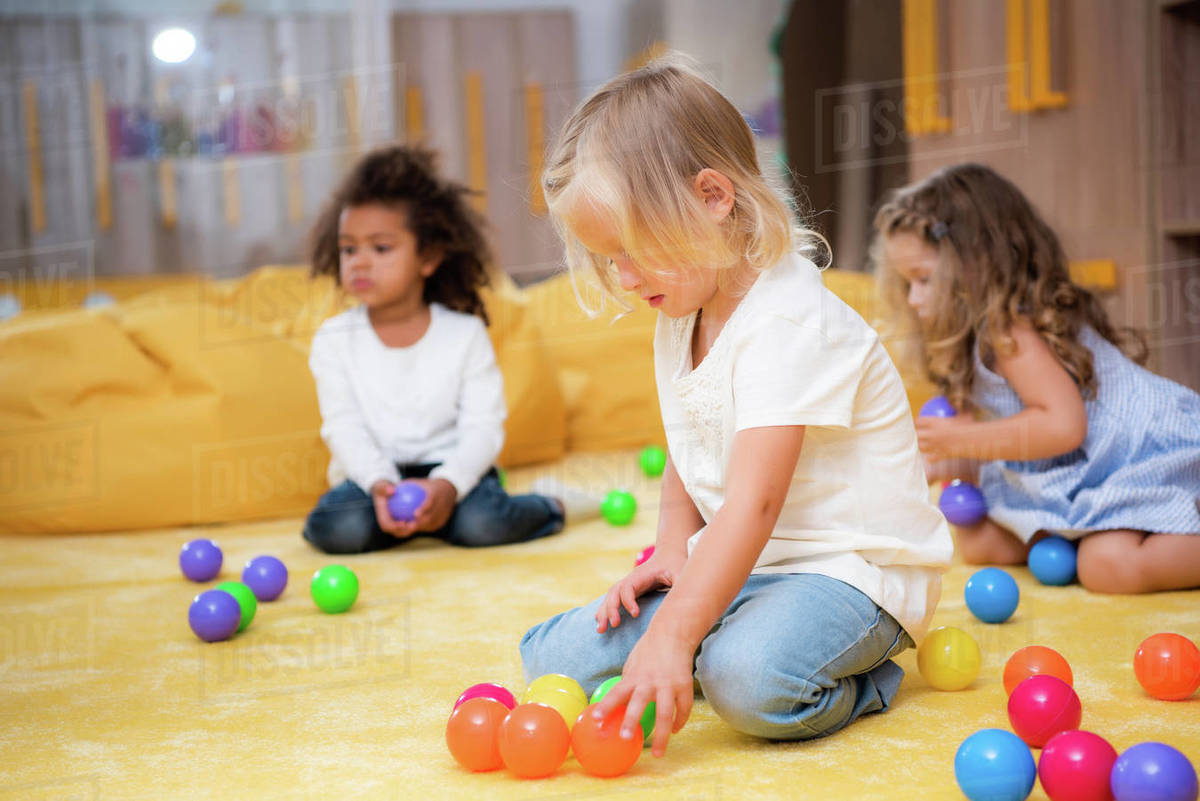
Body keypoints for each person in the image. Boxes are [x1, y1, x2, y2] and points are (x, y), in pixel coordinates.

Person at [518, 54, 953, 756]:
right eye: (609, 259)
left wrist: (673, 634)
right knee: (554, 660)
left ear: (714, 196)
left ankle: (862, 679)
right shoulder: (680, 308)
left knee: (747, 681)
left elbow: (754, 502)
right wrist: (670, 549)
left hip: (848, 573)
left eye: (632, 250)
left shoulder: (788, 320)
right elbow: (688, 441)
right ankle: (716, 631)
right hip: (744, 565)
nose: (624, 278)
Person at [874, 162, 1200, 594]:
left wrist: (959, 440)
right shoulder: (981, 334)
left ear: (976, 264)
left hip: (1141, 459)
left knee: (1107, 566)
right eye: (906, 284)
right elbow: (1009, 432)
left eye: (923, 279)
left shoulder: (1011, 330)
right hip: (1083, 471)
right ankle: (1077, 536)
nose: (914, 299)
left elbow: (1062, 427)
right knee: (981, 542)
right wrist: (934, 463)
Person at [302, 145, 594, 554]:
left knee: (483, 524)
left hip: (454, 471)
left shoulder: (464, 334)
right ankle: (421, 521)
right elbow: (343, 427)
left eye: (381, 248)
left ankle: (551, 503)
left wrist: (448, 484)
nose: (359, 263)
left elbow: (483, 428)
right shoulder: (333, 339)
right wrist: (381, 485)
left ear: (429, 257)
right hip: (372, 481)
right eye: (349, 249)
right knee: (340, 528)